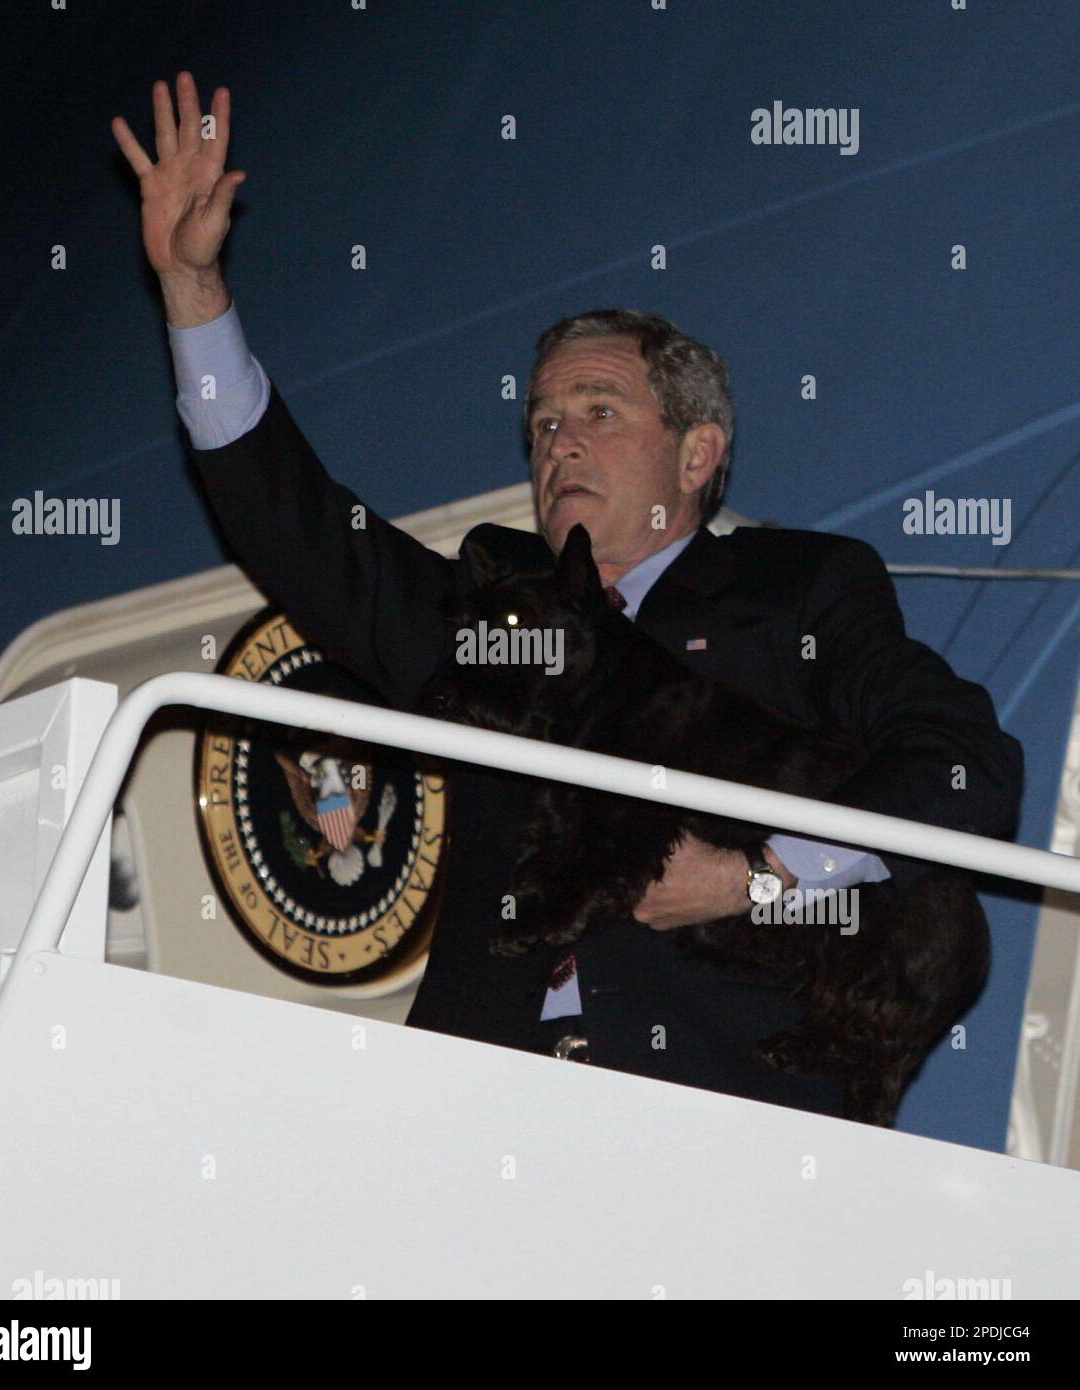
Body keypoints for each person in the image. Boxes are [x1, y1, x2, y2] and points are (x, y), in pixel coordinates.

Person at [113, 73, 1023, 1117]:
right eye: (543, 423)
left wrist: (754, 878)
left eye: (600, 409)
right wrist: (194, 294)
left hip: (730, 1133)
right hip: (476, 1127)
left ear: (699, 455)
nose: (562, 440)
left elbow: (965, 769)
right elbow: (307, 538)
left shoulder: (800, 591)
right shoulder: (499, 628)